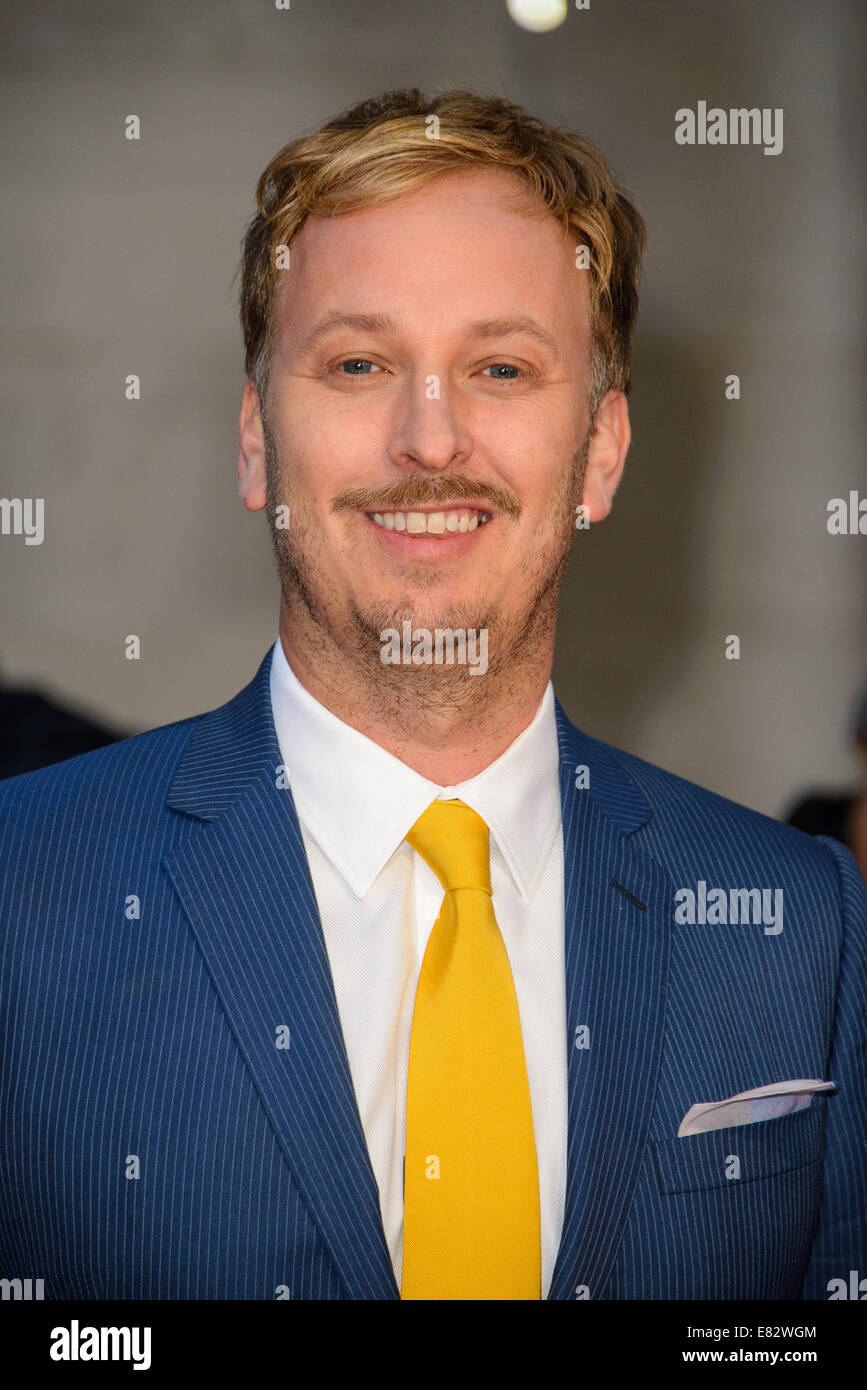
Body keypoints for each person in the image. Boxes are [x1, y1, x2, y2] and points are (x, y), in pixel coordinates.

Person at [0, 88, 864, 1302]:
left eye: (501, 366)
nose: (431, 437)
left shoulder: (801, 924)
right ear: (257, 442)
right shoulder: (19, 895)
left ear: (601, 453)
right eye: (359, 362)